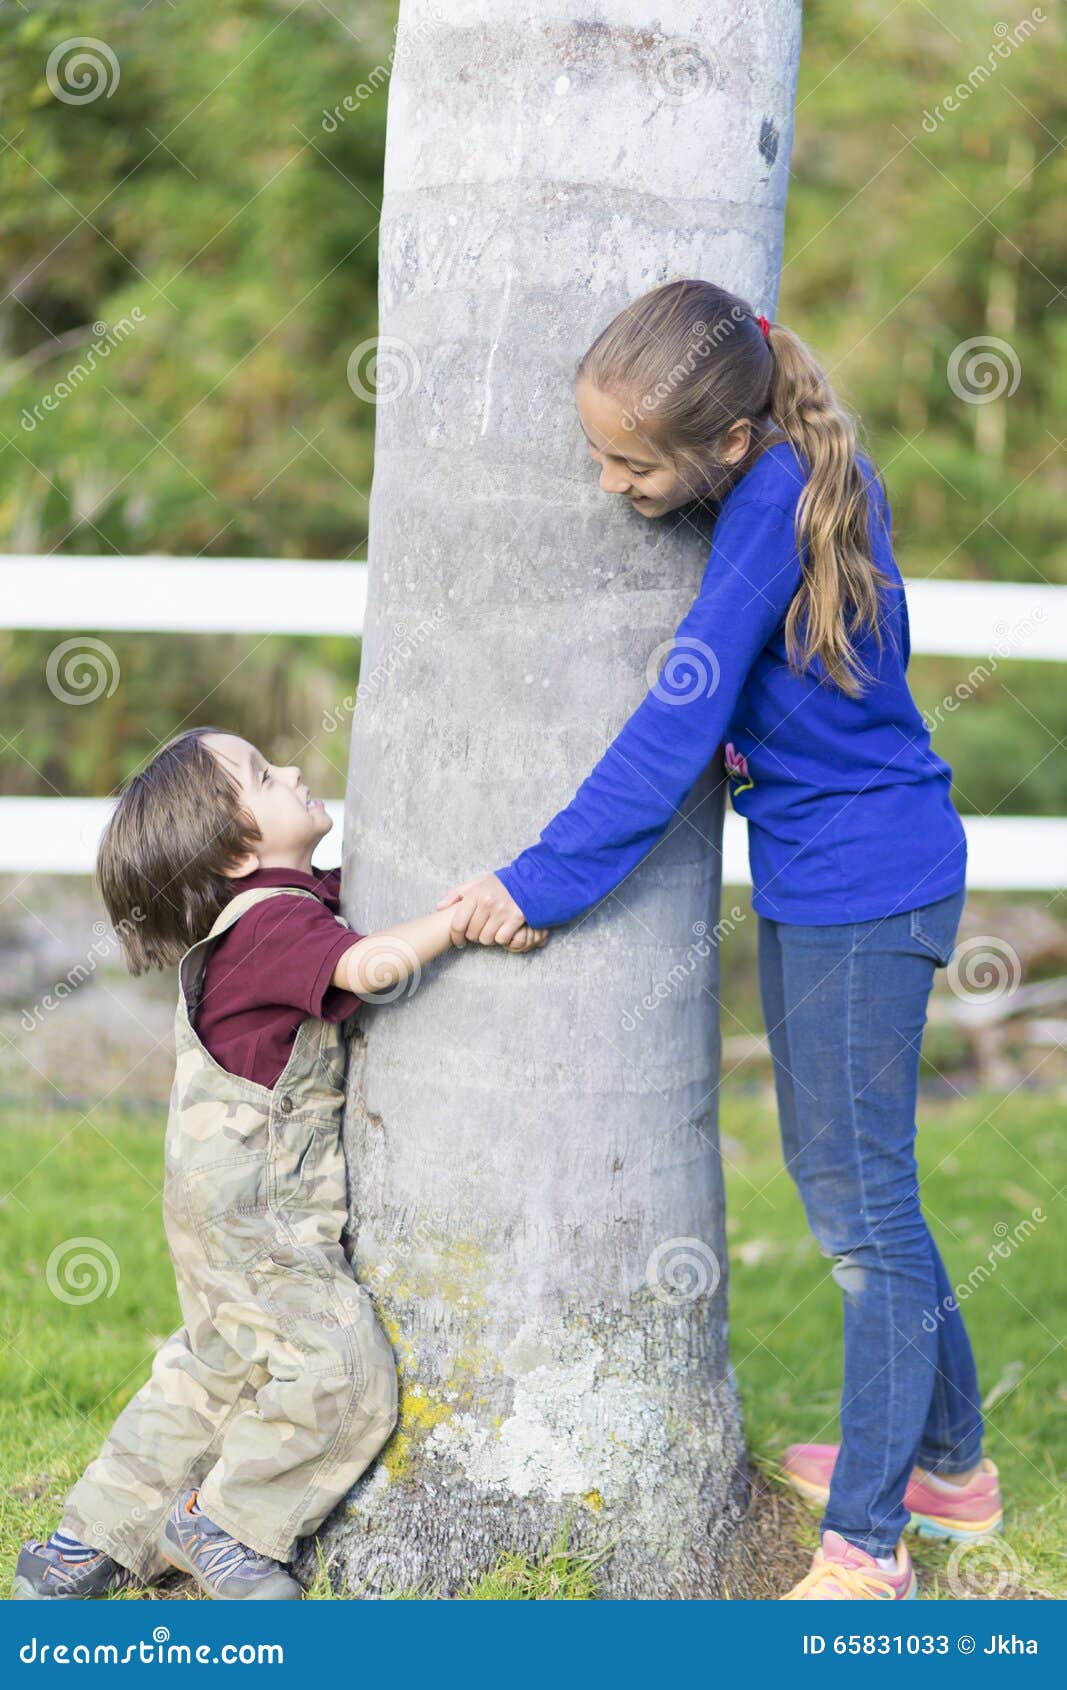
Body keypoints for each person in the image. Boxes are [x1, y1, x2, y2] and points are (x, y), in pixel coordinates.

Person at [436, 279, 1002, 1601]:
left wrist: (540, 878)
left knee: (862, 1219)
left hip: (869, 885)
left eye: (630, 463)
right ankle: (950, 1464)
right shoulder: (779, 473)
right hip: (832, 880)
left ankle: (868, 1545)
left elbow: (675, 724)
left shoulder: (767, 505)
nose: (606, 485)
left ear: (728, 443)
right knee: (854, 1190)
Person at [14, 727, 546, 1600]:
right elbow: (371, 964)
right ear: (232, 849)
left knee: (215, 1367)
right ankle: (227, 1526)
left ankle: (86, 1544)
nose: (293, 770)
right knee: (342, 1372)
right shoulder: (274, 923)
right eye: (264, 776)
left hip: (211, 1203)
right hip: (262, 1214)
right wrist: (461, 919)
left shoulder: (273, 910)